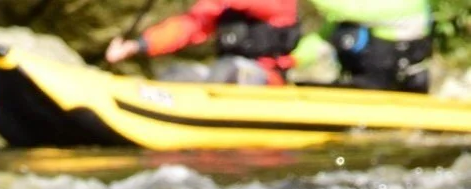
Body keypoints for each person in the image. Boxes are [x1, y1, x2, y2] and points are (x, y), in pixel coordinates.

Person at [104, 0, 302, 86]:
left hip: (267, 77)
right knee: (176, 74)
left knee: (230, 69)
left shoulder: (280, 5)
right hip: (222, 77)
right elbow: (186, 27)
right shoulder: (218, 7)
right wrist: (137, 45)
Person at [293, 0, 433, 93]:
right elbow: (322, 39)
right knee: (344, 32)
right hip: (362, 85)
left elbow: (350, 9)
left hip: (399, 89)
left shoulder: (409, 3)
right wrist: (290, 61)